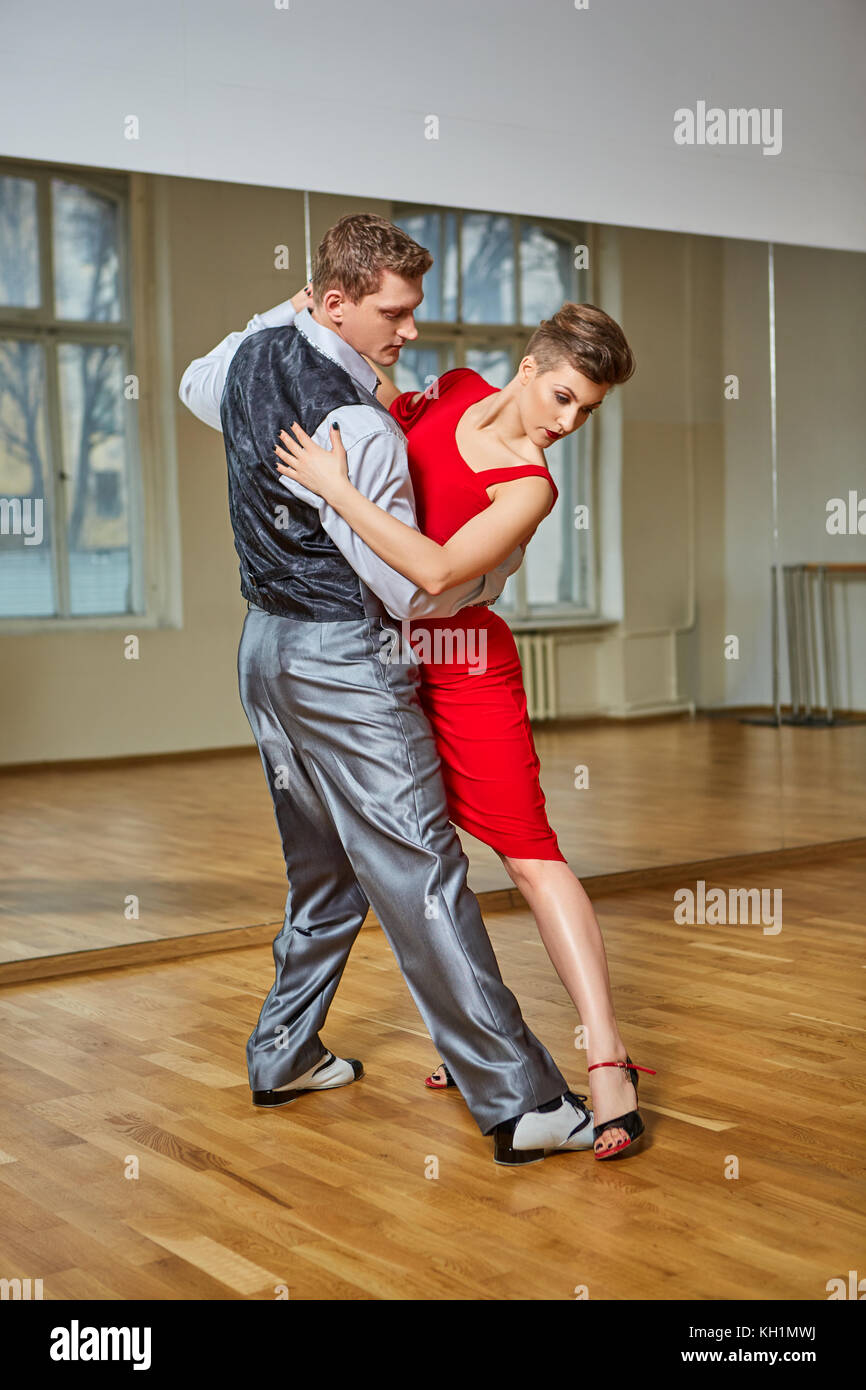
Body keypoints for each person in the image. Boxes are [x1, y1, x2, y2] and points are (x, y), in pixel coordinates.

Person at [178, 212, 597, 1166]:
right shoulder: (360, 421)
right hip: (343, 657)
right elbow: (413, 587)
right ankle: (523, 1102)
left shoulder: (247, 360)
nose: (408, 333)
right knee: (422, 868)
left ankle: (283, 1054)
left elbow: (194, 385)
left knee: (323, 870)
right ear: (338, 301)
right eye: (395, 314)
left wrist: (285, 312)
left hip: (264, 652)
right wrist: (491, 581)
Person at [272, 300, 656, 1159]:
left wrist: (331, 488)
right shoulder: (448, 390)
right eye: (562, 397)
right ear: (528, 366)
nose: (568, 423)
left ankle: (607, 1062)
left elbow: (437, 566)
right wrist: (306, 305)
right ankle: (479, 1038)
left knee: (528, 851)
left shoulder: (529, 484)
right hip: (379, 661)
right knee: (418, 860)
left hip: (466, 667)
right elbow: (371, 398)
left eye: (586, 411)